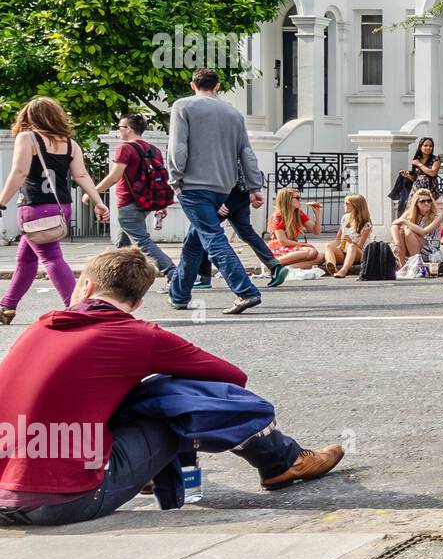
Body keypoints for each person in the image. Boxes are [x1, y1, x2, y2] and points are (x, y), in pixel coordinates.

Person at [0, 248, 344, 526]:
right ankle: (284, 461)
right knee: (171, 396)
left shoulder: (41, 328)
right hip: (64, 503)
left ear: (85, 288)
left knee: (125, 397)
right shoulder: (140, 335)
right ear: (136, 303)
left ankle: (151, 474)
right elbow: (231, 377)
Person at [0, 97, 110, 325]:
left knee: (51, 258)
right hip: (61, 209)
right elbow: (81, 175)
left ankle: (77, 308)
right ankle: (7, 306)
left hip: (34, 208)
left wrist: (1, 202)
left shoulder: (27, 137)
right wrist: (99, 202)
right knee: (26, 260)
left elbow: (19, 172)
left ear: (29, 117)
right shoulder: (70, 143)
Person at [166, 68, 266, 315]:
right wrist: (254, 186)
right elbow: (246, 153)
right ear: (217, 86)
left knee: (211, 236)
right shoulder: (233, 112)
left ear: (193, 85)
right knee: (194, 239)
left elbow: (178, 146)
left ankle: (246, 291)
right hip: (223, 186)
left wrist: (174, 177)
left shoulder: (183, 106)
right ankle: (179, 294)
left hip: (194, 185)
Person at [87, 113, 176, 281]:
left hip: (128, 202)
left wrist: (92, 191)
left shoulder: (125, 148)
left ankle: (173, 272)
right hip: (145, 202)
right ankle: (119, 280)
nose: (119, 131)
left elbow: (114, 176)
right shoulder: (154, 150)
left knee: (142, 242)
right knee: (123, 244)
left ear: (128, 129)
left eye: (120, 127)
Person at [191, 159, 291, 291]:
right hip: (243, 192)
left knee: (204, 230)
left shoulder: (216, 143)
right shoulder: (235, 141)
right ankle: (275, 266)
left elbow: (217, 171)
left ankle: (203, 276)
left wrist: (217, 201)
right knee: (246, 232)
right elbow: (250, 163)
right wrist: (255, 191)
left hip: (230, 193)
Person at [269, 187, 325, 268]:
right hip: (279, 248)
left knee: (321, 257)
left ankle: (285, 269)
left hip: (291, 247)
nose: (300, 200)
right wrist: (304, 245)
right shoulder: (278, 216)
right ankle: (272, 264)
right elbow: (282, 241)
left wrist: (317, 214)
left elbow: (316, 232)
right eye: (297, 198)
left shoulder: (298, 214)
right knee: (311, 252)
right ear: (287, 200)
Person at [324, 194, 373, 277]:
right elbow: (338, 240)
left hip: (358, 253)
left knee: (351, 247)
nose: (344, 205)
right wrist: (329, 248)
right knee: (328, 245)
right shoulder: (345, 218)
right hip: (344, 251)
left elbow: (360, 246)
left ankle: (344, 270)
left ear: (355, 206)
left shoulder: (366, 224)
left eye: (347, 204)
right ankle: (332, 267)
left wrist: (350, 241)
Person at [391, 188, 440, 264]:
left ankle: (416, 265)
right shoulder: (410, 213)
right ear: (416, 203)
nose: (426, 203)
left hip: (430, 249)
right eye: (422, 201)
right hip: (411, 245)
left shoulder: (438, 215)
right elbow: (394, 225)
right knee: (400, 231)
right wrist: (397, 244)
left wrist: (405, 221)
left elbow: (423, 232)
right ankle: (402, 265)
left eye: (429, 201)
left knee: (408, 231)